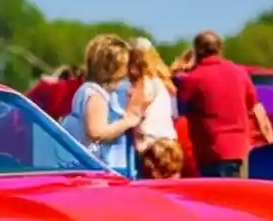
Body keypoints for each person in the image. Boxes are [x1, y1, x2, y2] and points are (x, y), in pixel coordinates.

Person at [176, 31, 273, 178]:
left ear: (196, 51)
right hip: (241, 150)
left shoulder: (192, 79)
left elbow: (181, 110)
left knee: (215, 198)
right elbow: (255, 107)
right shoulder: (239, 73)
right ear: (220, 49)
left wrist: (180, 72)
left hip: (212, 152)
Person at [61, 34, 143, 176]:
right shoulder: (96, 96)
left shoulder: (85, 89)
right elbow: (97, 133)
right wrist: (127, 122)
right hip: (87, 169)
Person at [121, 38, 182, 179]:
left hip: (150, 146)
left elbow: (132, 114)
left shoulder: (144, 83)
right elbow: (174, 115)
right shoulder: (165, 84)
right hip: (169, 143)